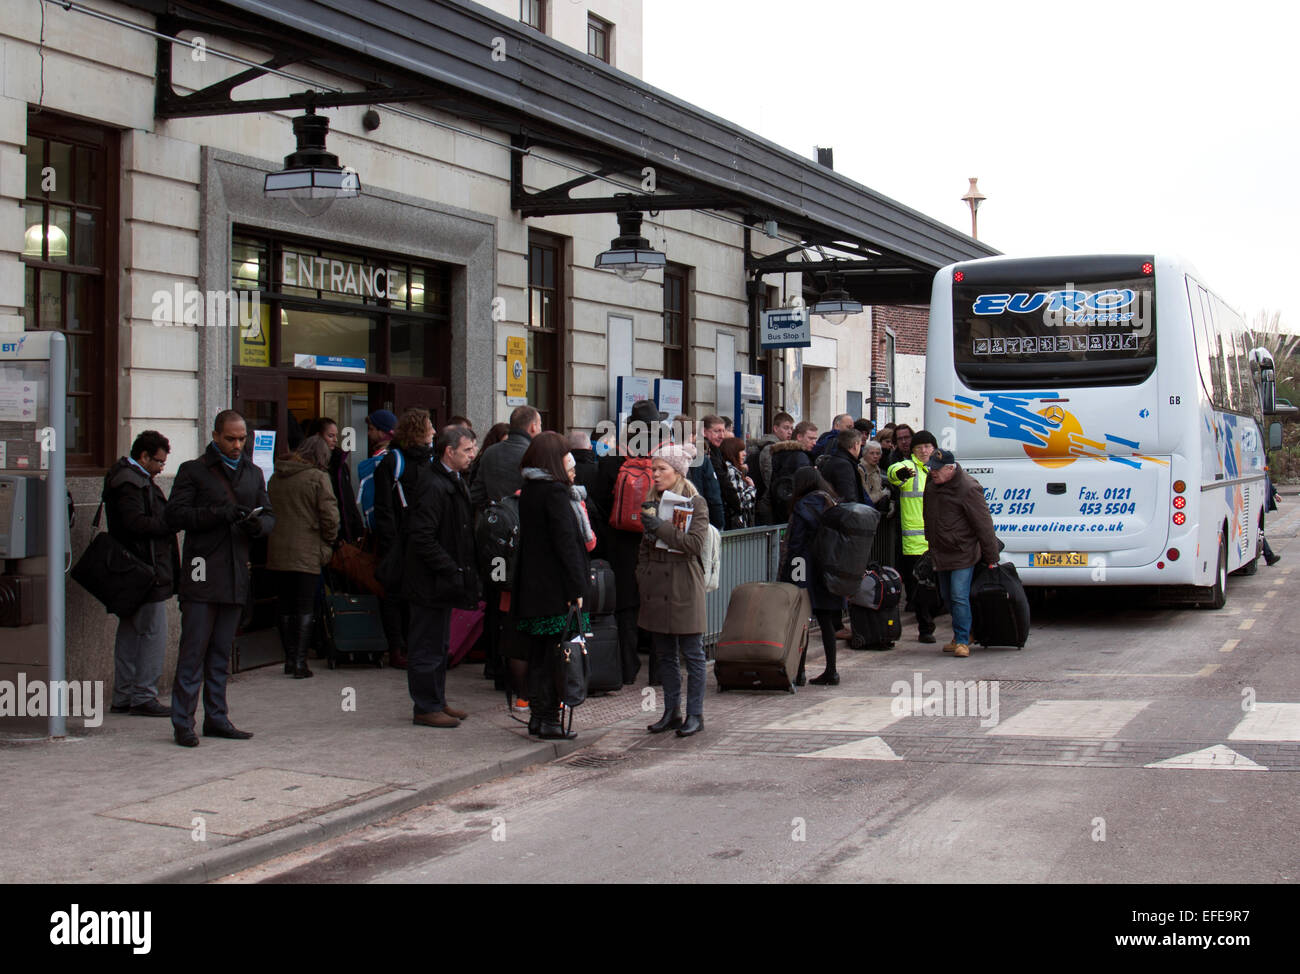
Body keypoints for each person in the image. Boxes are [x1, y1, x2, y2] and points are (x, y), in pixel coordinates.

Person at [165, 410, 275, 747]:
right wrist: (218, 514)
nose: (237, 445)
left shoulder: (253, 473)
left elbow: (269, 514)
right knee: (193, 650)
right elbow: (175, 515)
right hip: (201, 570)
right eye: (231, 438)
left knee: (220, 652)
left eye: (242, 439)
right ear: (215, 436)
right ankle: (183, 721)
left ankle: (217, 716)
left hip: (235, 571)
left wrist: (260, 525)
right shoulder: (193, 471)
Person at [514, 432, 591, 740]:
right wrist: (578, 588)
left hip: (533, 586)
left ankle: (539, 715)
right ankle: (548, 719)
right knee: (555, 656)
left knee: (540, 653)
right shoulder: (555, 493)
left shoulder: (531, 489)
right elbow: (566, 545)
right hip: (555, 588)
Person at [403, 425, 480, 727]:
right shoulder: (434, 484)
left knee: (439, 643)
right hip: (430, 581)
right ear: (449, 451)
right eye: (467, 451)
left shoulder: (454, 479)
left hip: (444, 579)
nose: (472, 456)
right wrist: (450, 567)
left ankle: (436, 700)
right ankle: (425, 706)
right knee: (426, 644)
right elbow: (422, 536)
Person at [104, 431, 180, 717]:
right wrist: (168, 523)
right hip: (144, 570)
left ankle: (125, 694)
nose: (161, 468)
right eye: (158, 462)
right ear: (143, 456)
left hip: (135, 570)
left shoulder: (127, 478)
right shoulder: (130, 482)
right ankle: (142, 695)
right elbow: (134, 523)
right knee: (151, 633)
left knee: (131, 632)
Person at [637, 444, 710, 737]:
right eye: (653, 469)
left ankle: (695, 714)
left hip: (684, 583)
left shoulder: (695, 502)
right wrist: (642, 575)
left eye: (661, 469)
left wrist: (660, 527)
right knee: (664, 654)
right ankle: (671, 711)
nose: (654, 474)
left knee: (692, 653)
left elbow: (693, 545)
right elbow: (643, 547)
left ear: (677, 472)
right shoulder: (650, 501)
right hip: (656, 583)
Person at [592, 398, 666, 684]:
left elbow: (599, 498)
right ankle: (659, 673)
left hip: (621, 541)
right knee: (658, 604)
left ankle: (626, 668)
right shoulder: (665, 459)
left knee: (625, 606)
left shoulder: (612, 457)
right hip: (657, 540)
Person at [266, 435, 340, 679]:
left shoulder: (277, 476)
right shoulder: (318, 477)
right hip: (308, 549)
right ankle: (300, 662)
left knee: (285, 605)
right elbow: (330, 517)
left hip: (278, 548)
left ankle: (289, 659)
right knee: (305, 605)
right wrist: (329, 542)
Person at [373, 407, 437, 670]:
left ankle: (415, 646)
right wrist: (390, 545)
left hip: (423, 541)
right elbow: (384, 509)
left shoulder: (432, 461)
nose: (434, 431)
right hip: (399, 543)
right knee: (395, 597)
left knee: (419, 597)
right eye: (430, 426)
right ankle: (397, 649)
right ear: (418, 431)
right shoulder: (392, 462)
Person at [923, 449, 1000, 658]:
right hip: (941, 550)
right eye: (931, 468)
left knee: (958, 595)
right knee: (947, 596)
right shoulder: (932, 486)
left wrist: (992, 557)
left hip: (963, 551)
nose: (933, 472)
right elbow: (928, 515)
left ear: (950, 468)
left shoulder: (968, 487)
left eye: (937, 469)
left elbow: (983, 524)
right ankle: (962, 634)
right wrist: (930, 543)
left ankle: (963, 640)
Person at [781, 467, 843, 685]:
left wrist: (791, 575)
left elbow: (796, 544)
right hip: (829, 569)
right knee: (826, 622)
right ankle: (831, 670)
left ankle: (799, 672)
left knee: (802, 621)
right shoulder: (831, 501)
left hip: (806, 568)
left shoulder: (803, 505)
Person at [887, 429, 939, 644]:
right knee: (920, 590)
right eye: (920, 448)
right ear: (913, 451)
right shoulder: (909, 468)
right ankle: (925, 628)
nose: (924, 451)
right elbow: (893, 471)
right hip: (915, 542)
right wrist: (900, 475)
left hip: (939, 540)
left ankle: (931, 620)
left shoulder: (942, 468)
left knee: (939, 590)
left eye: (927, 447)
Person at [471, 404, 540, 510]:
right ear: (533, 427)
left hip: (495, 519)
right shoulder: (535, 453)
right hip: (525, 520)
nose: (541, 429)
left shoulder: (490, 452)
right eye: (540, 425)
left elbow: (477, 495)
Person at [309, 417, 364, 543]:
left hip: (342, 532)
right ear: (318, 436)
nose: (335, 440)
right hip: (320, 532)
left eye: (336, 436)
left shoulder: (340, 464)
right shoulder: (310, 466)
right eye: (330, 436)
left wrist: (357, 528)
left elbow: (348, 498)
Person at [674, 414, 724, 529]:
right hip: (697, 520)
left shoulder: (664, 456)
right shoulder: (701, 459)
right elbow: (713, 496)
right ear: (692, 436)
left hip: (671, 520)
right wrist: (719, 524)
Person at [764, 420, 818, 525]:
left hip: (779, 510)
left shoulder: (782, 453)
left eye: (815, 439)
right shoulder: (800, 458)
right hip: (793, 512)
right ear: (799, 437)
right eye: (811, 438)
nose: (814, 443)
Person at [817, 427, 866, 505]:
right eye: (860, 445)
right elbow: (847, 496)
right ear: (856, 445)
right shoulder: (843, 465)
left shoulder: (837, 460)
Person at [718, 436, 756, 528]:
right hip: (736, 523)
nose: (745, 454)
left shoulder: (727, 469)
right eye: (741, 451)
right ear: (732, 452)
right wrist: (752, 488)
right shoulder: (732, 471)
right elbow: (741, 502)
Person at [859, 439, 892, 512]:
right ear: (864, 454)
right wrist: (883, 493)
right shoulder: (861, 470)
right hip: (867, 512)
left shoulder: (876, 468)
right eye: (872, 453)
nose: (875, 456)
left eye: (878, 453)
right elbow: (867, 498)